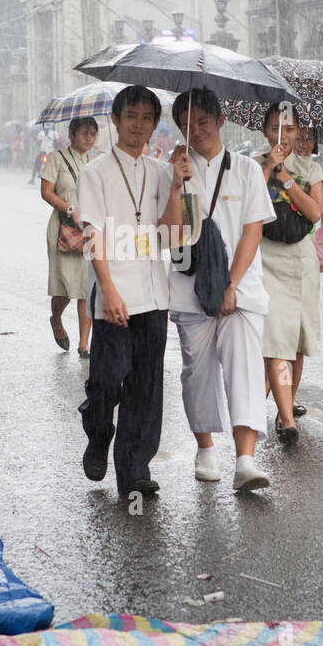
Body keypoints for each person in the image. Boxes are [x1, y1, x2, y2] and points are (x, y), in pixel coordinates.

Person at [77, 85, 187, 497]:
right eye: (131, 117)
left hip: (154, 294)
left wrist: (176, 186)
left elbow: (173, 235)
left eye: (147, 118)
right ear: (116, 120)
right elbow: (92, 234)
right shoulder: (96, 172)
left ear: (155, 124)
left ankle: (134, 468)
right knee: (108, 379)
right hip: (113, 293)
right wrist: (108, 290)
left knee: (145, 384)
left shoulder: (161, 171)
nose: (138, 125)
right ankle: (99, 428)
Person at [169, 89, 274, 491]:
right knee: (197, 369)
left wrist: (230, 284)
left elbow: (253, 231)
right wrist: (176, 184)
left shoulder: (246, 169)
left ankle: (245, 459)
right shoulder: (175, 169)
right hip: (188, 286)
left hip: (241, 289)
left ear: (219, 121)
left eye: (202, 122)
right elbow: (170, 233)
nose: (195, 131)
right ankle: (205, 447)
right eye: (186, 125)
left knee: (244, 366)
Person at [258, 103, 323, 442]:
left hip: (301, 261)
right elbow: (247, 205)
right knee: (276, 340)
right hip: (266, 258)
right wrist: (270, 166)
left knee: (297, 339)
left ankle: (284, 402)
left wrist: (287, 180)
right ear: (265, 132)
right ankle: (287, 419)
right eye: (275, 128)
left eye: (288, 129)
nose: (282, 136)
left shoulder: (311, 169)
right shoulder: (254, 166)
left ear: (299, 132)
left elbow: (315, 213)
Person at [41, 117, 99, 357]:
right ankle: (56, 318)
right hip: (63, 228)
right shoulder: (57, 158)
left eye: (93, 133)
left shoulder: (98, 161)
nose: (89, 138)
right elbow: (46, 192)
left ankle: (84, 344)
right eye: (84, 132)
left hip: (90, 229)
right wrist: (69, 209)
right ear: (72, 134)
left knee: (87, 285)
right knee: (65, 286)